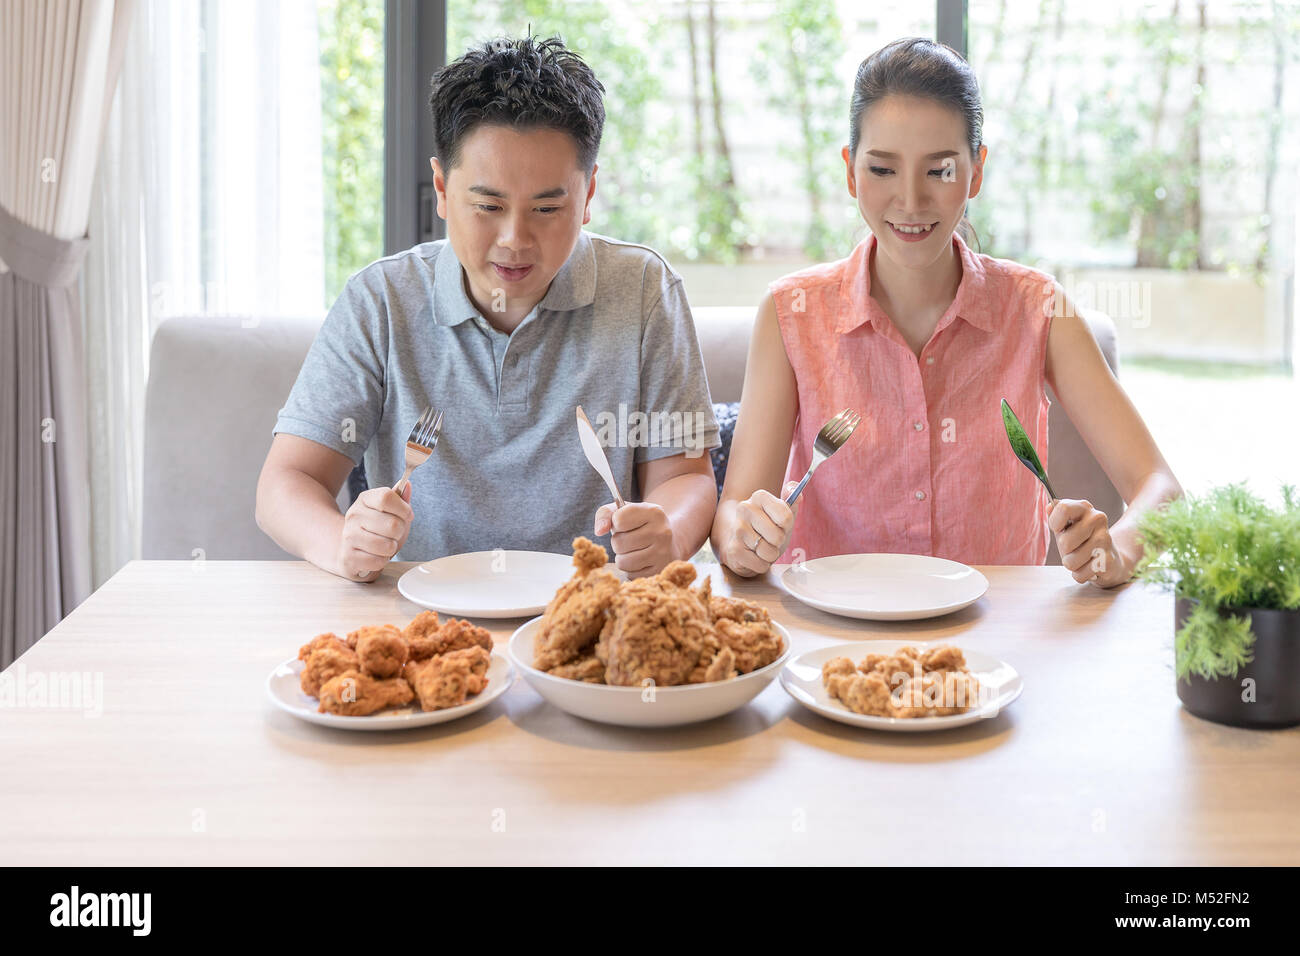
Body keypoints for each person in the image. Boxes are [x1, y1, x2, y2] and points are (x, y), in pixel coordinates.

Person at [711, 37, 1182, 587]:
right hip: (833, 640)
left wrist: (1117, 551)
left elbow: (1161, 488)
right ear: (850, 171)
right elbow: (733, 513)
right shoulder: (790, 313)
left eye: (939, 171)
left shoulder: (1039, 309)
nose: (910, 200)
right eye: (882, 169)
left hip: (998, 643)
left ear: (976, 171)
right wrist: (743, 536)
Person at [257, 36, 719, 582]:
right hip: (422, 612)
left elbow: (687, 476)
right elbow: (285, 484)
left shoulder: (644, 290)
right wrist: (342, 544)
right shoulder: (381, 300)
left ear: (589, 193)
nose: (514, 240)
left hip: (590, 611)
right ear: (441, 189)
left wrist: (665, 529)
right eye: (488, 206)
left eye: (547, 207)